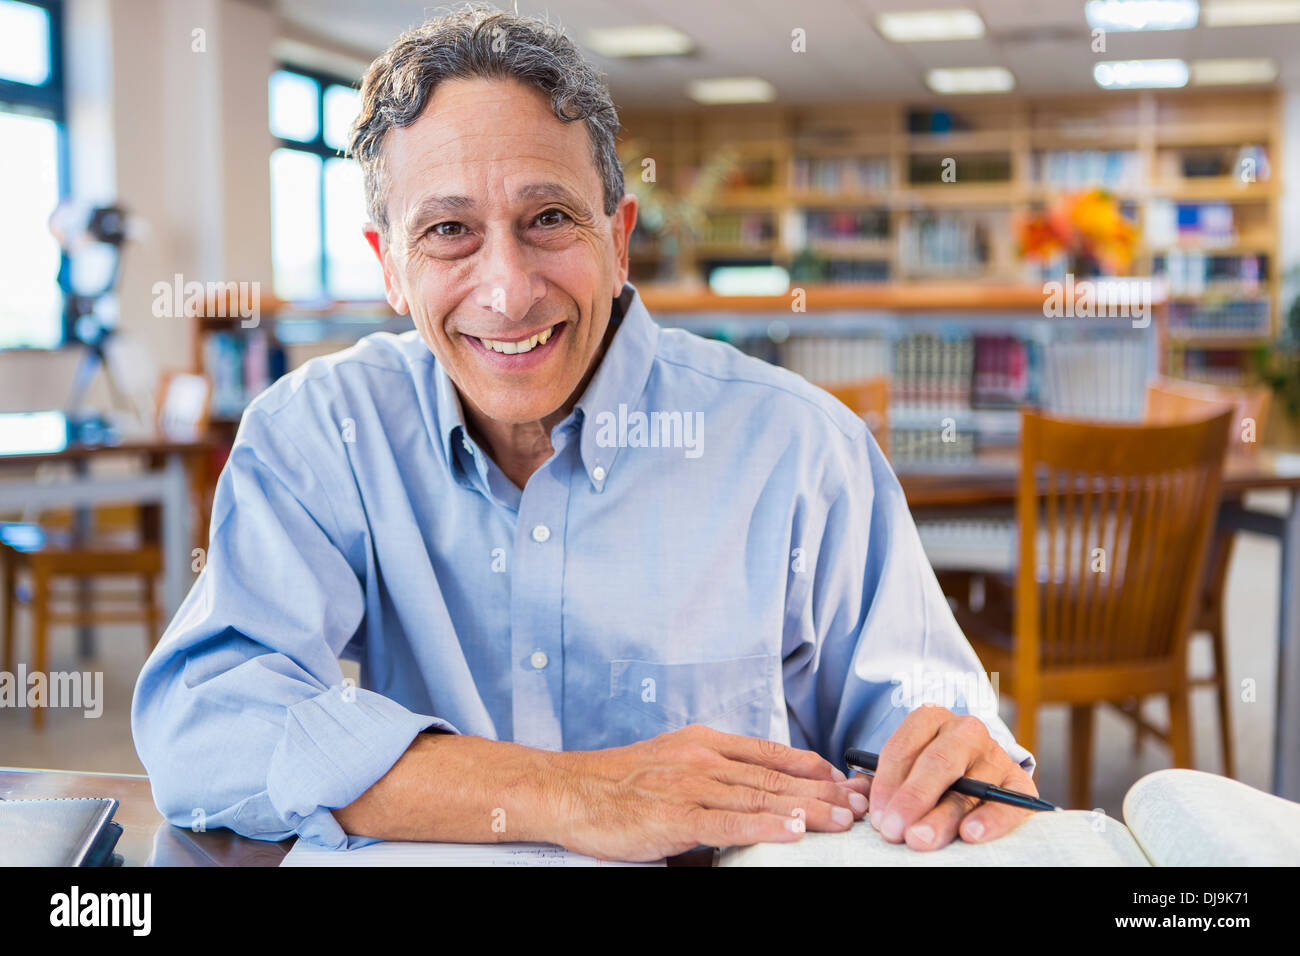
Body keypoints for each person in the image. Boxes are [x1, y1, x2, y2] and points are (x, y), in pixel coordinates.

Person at [132, 5, 1037, 862]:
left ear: (619, 236)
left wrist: (957, 757)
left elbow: (940, 721)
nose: (508, 290)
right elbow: (207, 730)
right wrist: (575, 794)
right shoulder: (320, 434)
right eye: (448, 231)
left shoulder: (802, 450)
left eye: (549, 219)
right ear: (391, 271)